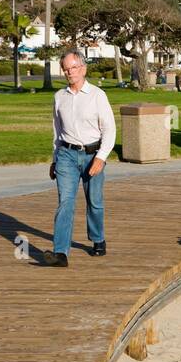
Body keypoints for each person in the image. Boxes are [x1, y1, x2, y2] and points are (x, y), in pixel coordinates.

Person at [43, 50, 116, 267]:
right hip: (66, 155)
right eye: (65, 69)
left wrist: (101, 158)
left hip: (93, 154)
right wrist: (55, 159)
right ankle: (60, 253)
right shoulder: (59, 97)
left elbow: (110, 130)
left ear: (83, 68)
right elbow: (57, 131)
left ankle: (97, 239)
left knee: (94, 201)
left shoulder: (97, 95)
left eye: (73, 68)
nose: (69, 72)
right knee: (65, 202)